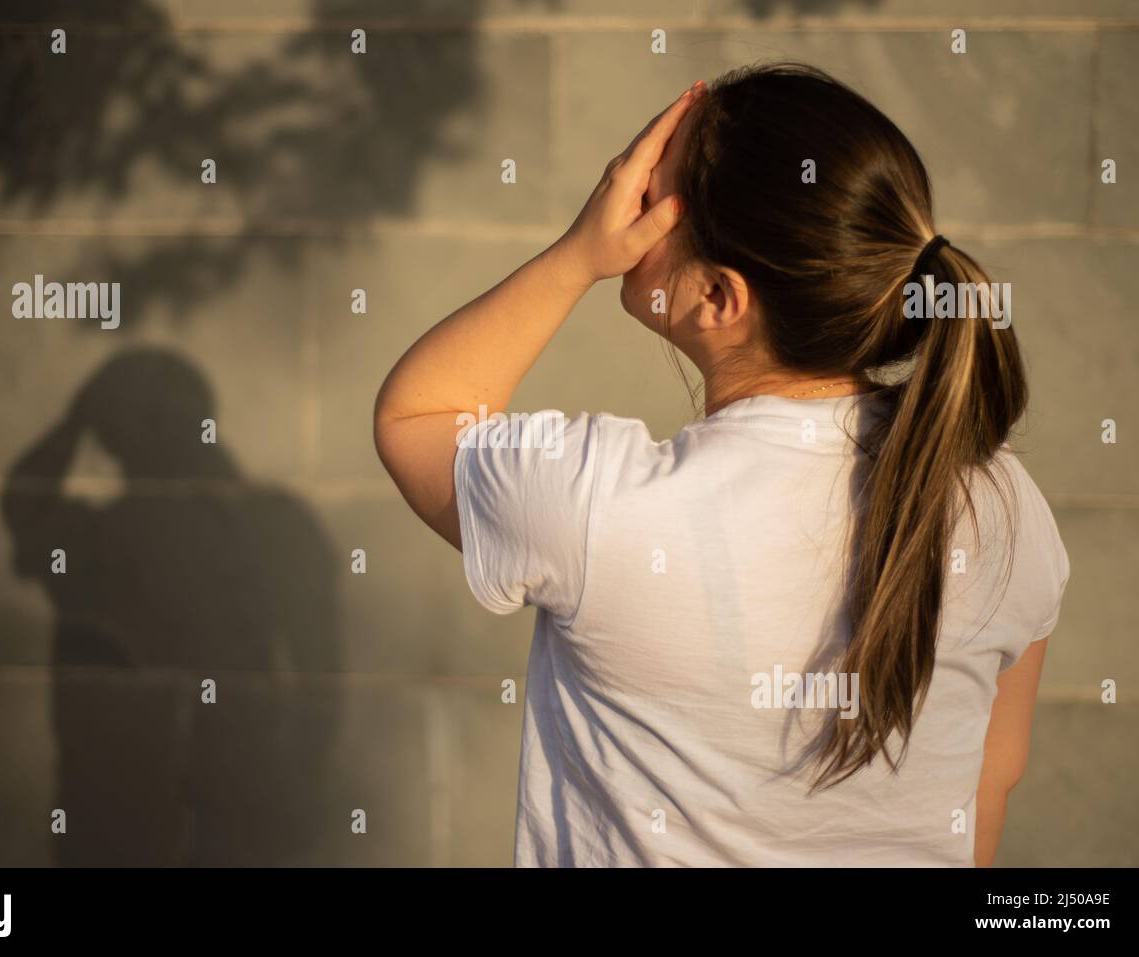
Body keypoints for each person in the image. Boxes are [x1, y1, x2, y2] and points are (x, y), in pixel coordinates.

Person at [373, 63, 1069, 867]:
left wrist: (574, 256)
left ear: (718, 299)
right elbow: (993, 774)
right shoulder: (1004, 502)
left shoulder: (597, 503)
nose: (624, 199)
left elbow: (415, 415)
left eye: (650, 194)